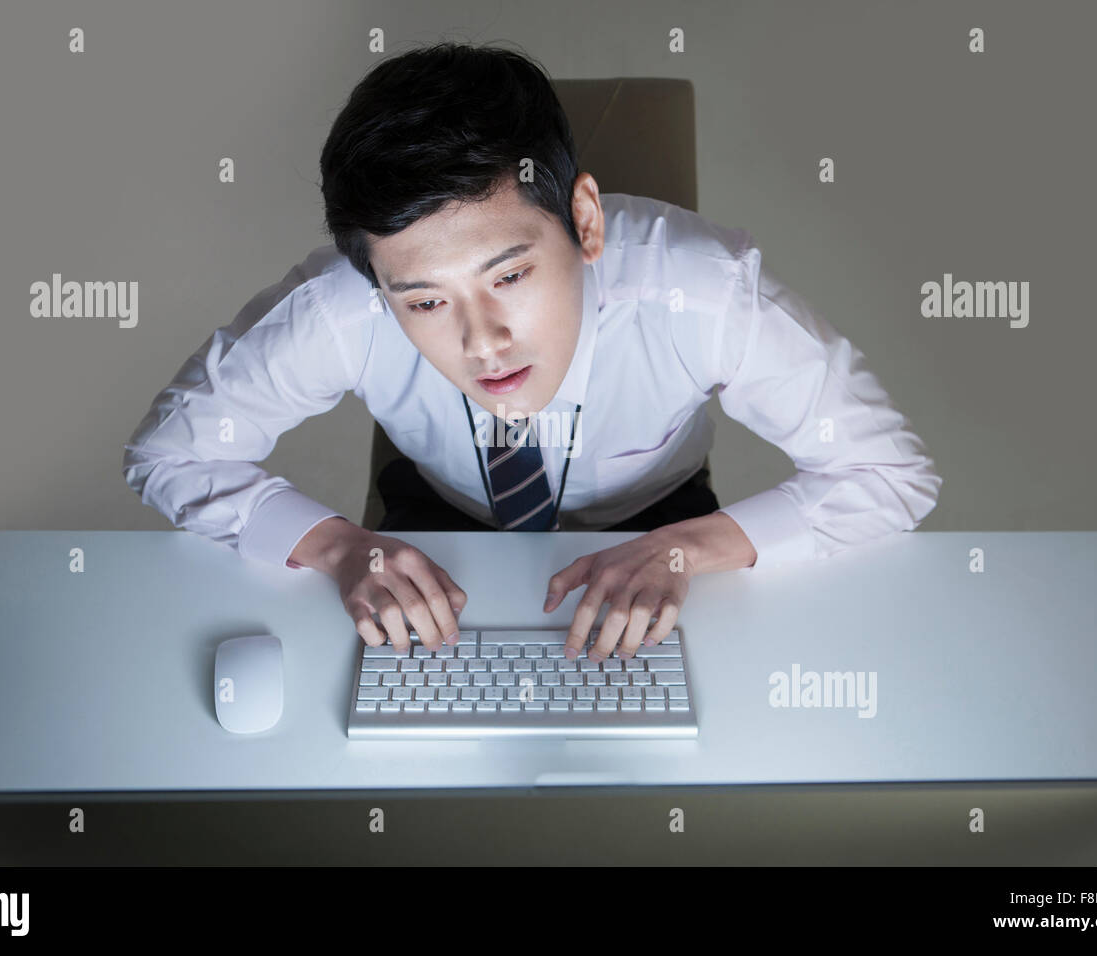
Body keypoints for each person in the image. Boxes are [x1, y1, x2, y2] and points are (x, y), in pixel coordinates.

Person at [122, 42, 941, 664]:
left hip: (658, 517)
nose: (482, 342)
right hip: (442, 517)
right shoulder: (341, 306)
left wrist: (689, 546)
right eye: (426, 302)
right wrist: (337, 546)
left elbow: (889, 474)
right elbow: (172, 454)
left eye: (509, 274)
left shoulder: (701, 289)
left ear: (585, 221)